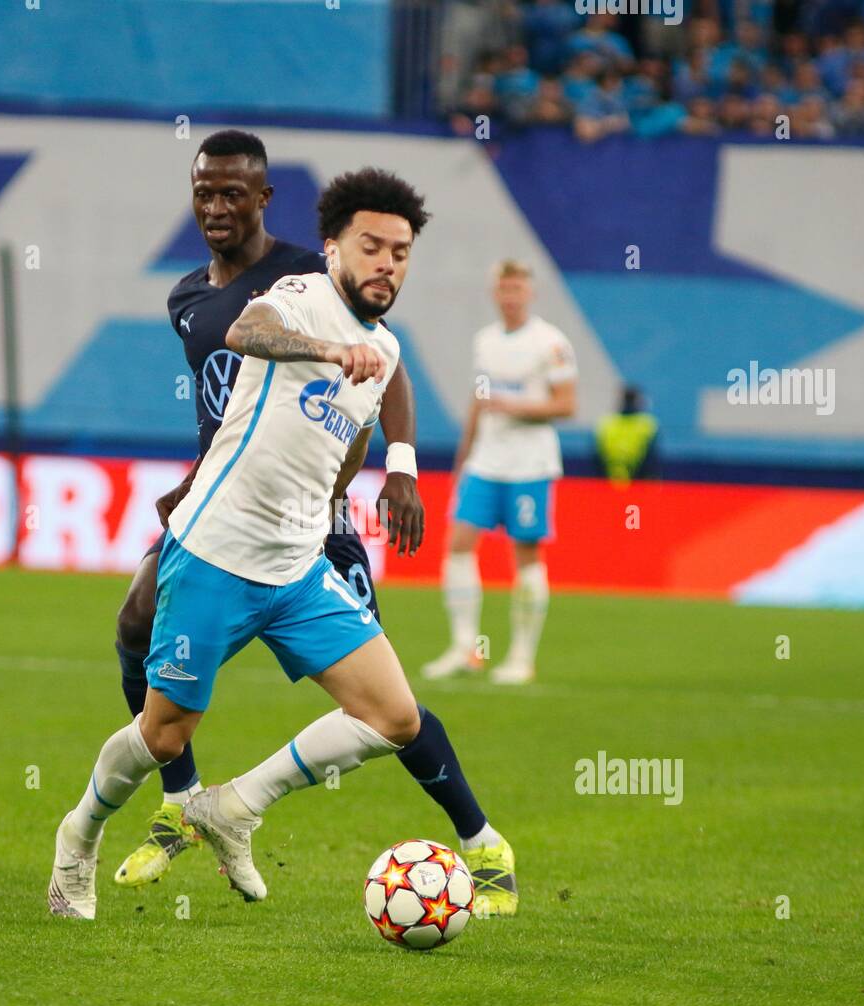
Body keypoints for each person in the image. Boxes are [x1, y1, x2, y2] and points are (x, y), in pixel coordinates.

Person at [50, 164, 518, 918]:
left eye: (400, 252)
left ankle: (234, 807)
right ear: (332, 246)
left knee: (393, 717)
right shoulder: (300, 299)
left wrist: (353, 483)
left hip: (298, 568)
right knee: (165, 738)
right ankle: (78, 838)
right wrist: (328, 354)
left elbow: (355, 431)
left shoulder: (386, 351)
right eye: (371, 246)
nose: (386, 263)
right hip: (215, 556)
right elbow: (247, 330)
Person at [422, 259, 577, 686]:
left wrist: (518, 407)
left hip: (529, 463)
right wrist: (463, 456)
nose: (510, 297)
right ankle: (465, 648)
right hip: (486, 460)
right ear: (495, 293)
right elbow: (479, 400)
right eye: (504, 289)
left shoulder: (551, 343)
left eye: (517, 289)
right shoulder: (485, 342)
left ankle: (522, 657)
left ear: (531, 293)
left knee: (525, 554)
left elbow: (567, 404)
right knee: (458, 543)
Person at [594, 385, 659, 484]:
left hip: (608, 483)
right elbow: (652, 459)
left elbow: (597, 457)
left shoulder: (606, 423)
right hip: (638, 484)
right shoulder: (647, 424)